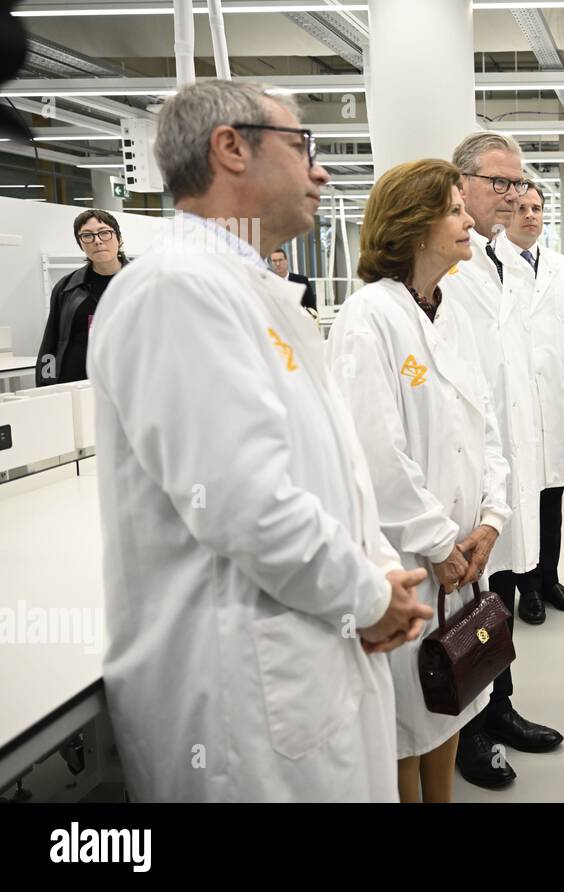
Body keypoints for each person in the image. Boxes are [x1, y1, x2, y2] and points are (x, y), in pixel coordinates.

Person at [87, 79, 433, 801]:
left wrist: (373, 577)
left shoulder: (251, 290)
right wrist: (372, 598)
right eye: (303, 145)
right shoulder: (176, 289)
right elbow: (249, 504)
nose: (321, 170)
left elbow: (329, 474)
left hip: (305, 661)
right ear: (231, 148)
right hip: (243, 700)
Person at [326, 159, 511, 803]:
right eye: (456, 210)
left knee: (451, 694)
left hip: (462, 555)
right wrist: (440, 543)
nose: (470, 220)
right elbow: (374, 453)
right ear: (413, 223)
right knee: (406, 721)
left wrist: (493, 517)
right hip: (410, 557)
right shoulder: (369, 315)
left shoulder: (450, 309)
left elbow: (485, 423)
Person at [443, 131, 563, 789]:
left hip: (510, 458)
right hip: (464, 466)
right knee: (469, 604)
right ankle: (469, 732)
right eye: (502, 183)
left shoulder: (504, 260)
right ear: (460, 182)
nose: (515, 195)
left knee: (505, 592)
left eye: (520, 184)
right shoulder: (442, 259)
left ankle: (503, 707)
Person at [493, 184, 564, 625]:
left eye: (537, 208)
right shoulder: (489, 264)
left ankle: (549, 578)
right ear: (506, 212)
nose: (530, 215)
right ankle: (524, 586)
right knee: (519, 495)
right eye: (521, 207)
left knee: (552, 495)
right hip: (511, 405)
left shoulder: (563, 269)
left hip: (556, 400)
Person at [35, 209, 128, 386]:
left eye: (105, 233)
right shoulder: (67, 287)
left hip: (128, 383)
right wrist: (45, 386)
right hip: (77, 384)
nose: (97, 241)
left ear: (119, 239)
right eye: (87, 236)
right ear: (81, 244)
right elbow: (50, 343)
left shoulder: (143, 283)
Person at [267, 246, 317, 312]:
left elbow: (312, 309)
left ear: (286, 261)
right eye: (274, 261)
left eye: (280, 260)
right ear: (271, 263)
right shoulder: (266, 282)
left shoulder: (302, 281)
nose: (278, 264)